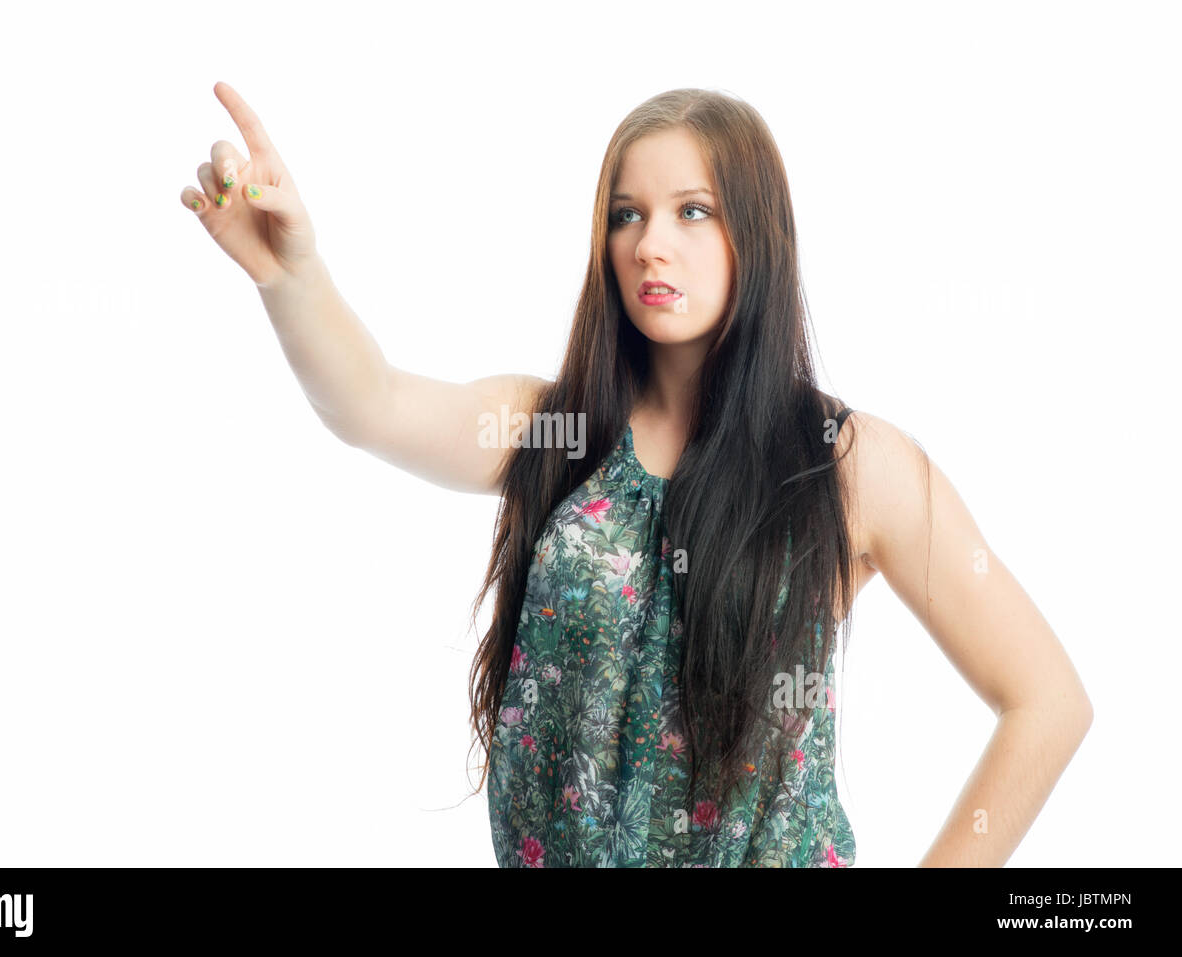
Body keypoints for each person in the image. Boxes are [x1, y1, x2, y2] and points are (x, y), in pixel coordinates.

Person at [181, 81, 1093, 867]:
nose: (652, 243)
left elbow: (1047, 702)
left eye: (693, 210)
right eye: (628, 214)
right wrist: (290, 275)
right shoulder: (559, 427)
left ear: (756, 233)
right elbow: (370, 403)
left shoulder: (847, 465)